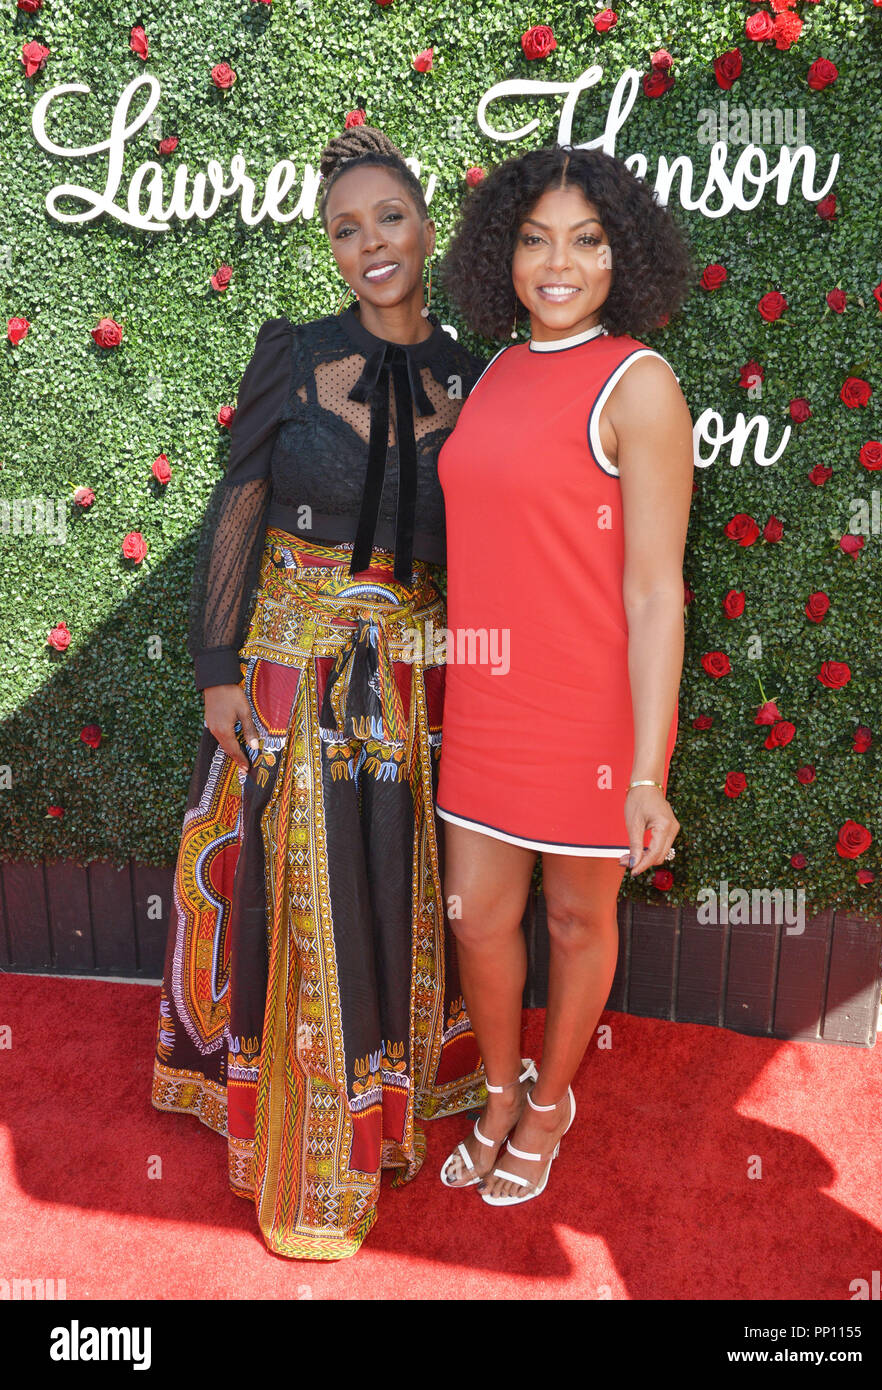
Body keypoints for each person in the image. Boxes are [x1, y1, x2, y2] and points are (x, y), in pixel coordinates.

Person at [151, 125, 488, 1259]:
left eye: (388, 217)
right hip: (293, 666)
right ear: (333, 250)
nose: (369, 244)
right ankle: (303, 1159)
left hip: (412, 680)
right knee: (302, 902)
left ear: (427, 225)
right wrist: (215, 671)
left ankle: (390, 1113)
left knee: (389, 889)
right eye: (346, 229)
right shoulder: (290, 354)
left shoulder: (474, 375)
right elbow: (238, 506)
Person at [434, 144, 696, 1205]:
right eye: (537, 238)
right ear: (504, 251)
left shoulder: (640, 383)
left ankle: (551, 1103)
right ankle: (503, 1086)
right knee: (477, 917)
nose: (559, 262)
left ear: (620, 256)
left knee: (578, 921)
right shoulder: (492, 370)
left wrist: (645, 772)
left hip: (590, 721)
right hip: (488, 707)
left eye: (586, 241)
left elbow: (654, 594)